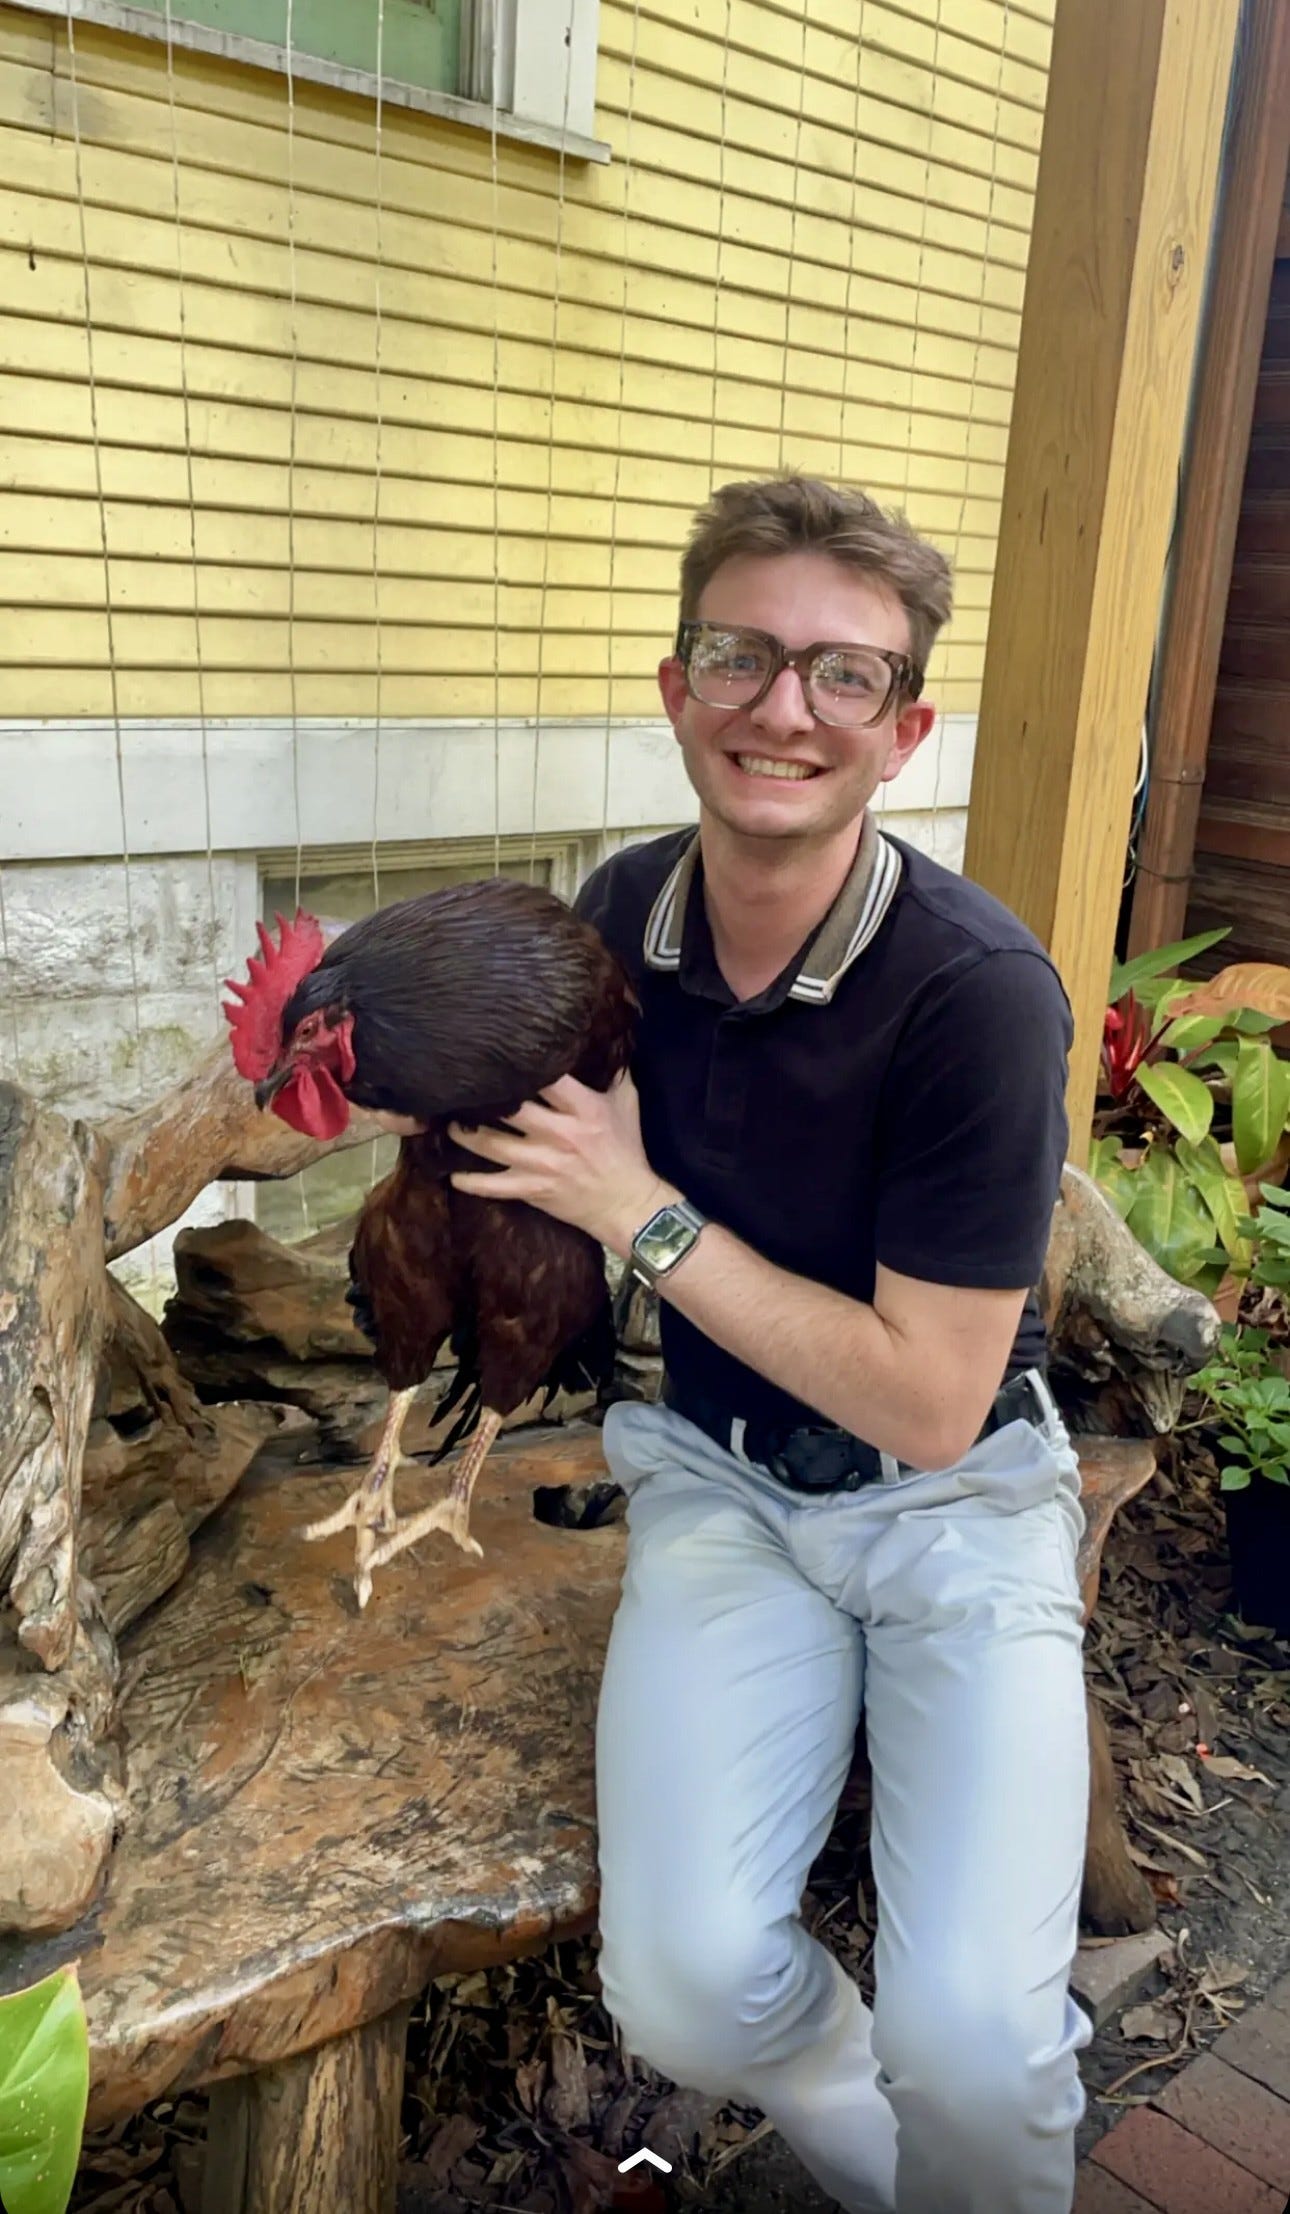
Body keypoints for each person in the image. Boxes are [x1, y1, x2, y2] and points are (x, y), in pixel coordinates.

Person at [447, 474, 1091, 2214]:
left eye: (841, 673)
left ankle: (954, 2135)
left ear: (904, 727)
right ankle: (889, 2160)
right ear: (675, 684)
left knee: (973, 2031)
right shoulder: (619, 914)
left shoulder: (974, 991)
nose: (780, 706)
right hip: (718, 1483)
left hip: (951, 1505)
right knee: (681, 1983)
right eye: (737, 655)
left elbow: (937, 1400)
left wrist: (638, 1212)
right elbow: (505, 1157)